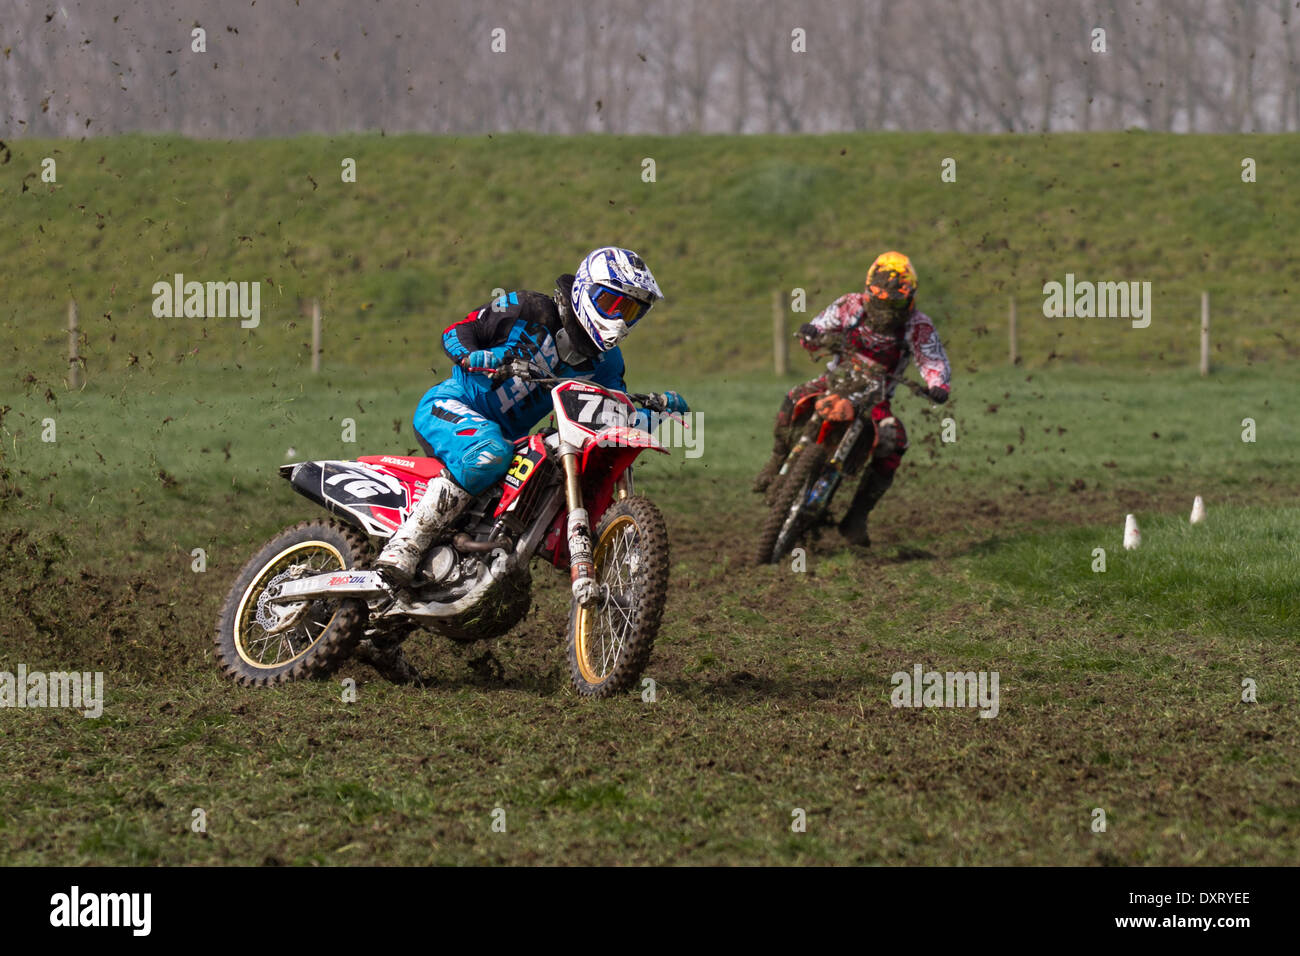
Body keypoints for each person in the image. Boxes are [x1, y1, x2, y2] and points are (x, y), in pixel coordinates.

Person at [375, 246, 688, 586]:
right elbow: (456, 331)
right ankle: (404, 547)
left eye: (631, 312)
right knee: (489, 453)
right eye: (613, 305)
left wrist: (655, 411)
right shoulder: (527, 308)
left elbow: (613, 411)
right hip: (452, 406)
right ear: (585, 289)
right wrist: (473, 357)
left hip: (512, 439)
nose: (620, 320)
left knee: (545, 470)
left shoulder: (606, 364)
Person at [753, 251, 951, 547]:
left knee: (893, 442)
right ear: (869, 290)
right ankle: (777, 457)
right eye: (880, 297)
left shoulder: (917, 325)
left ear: (909, 297)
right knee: (793, 398)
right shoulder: (850, 305)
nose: (886, 305)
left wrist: (937, 385)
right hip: (835, 380)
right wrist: (811, 333)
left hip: (877, 398)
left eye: (894, 300)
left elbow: (932, 360)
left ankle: (857, 516)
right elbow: (820, 325)